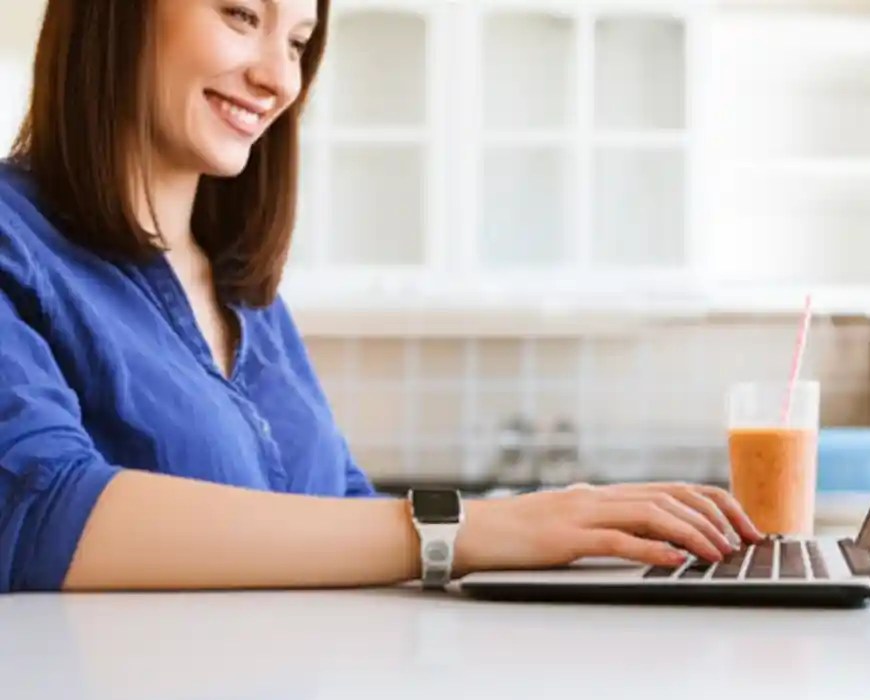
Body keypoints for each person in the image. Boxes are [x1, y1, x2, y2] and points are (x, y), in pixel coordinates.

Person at [0, 0, 761, 594]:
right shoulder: (16, 240)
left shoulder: (244, 294)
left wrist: (563, 546)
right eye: (241, 16)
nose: (279, 79)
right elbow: (39, 512)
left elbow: (344, 514)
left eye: (299, 42)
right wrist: (476, 529)